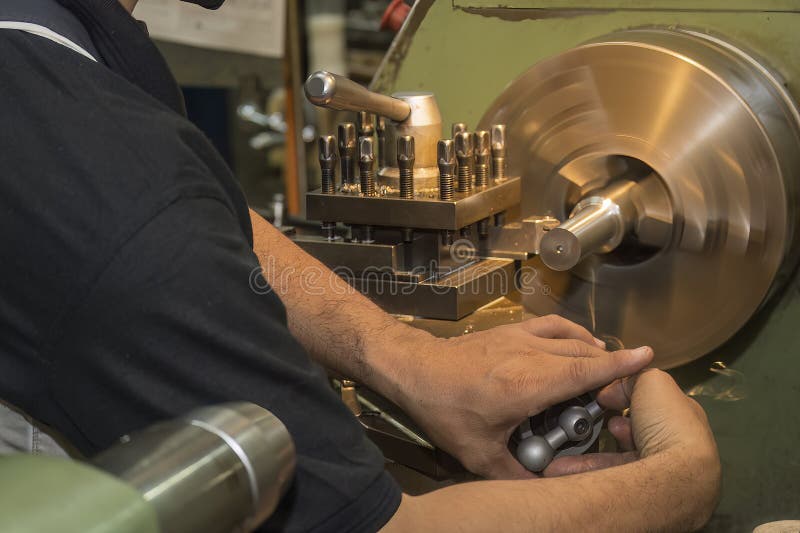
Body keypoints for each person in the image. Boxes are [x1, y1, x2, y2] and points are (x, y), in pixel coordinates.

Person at [0, 0, 720, 531]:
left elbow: (203, 207)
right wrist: (680, 483)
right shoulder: (119, 190)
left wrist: (403, 357)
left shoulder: (56, 54)